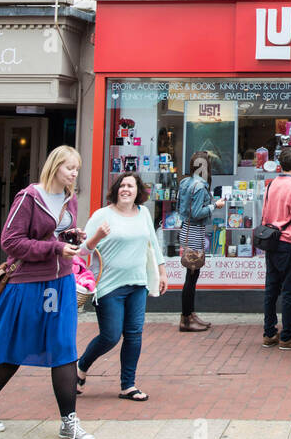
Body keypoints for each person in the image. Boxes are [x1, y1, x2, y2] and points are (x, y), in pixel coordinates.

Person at [0, 146, 95, 439]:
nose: (74, 174)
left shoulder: (70, 199)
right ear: (55, 167)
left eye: (77, 169)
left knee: (64, 348)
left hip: (61, 283)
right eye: (70, 168)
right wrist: (55, 247)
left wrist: (71, 238)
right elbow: (11, 241)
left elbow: (56, 237)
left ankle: (69, 422)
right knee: (15, 349)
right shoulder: (29, 197)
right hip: (28, 284)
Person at [76, 173, 167, 401]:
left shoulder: (143, 213)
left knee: (134, 334)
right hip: (108, 286)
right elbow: (82, 251)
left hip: (138, 283)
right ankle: (80, 367)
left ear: (138, 191)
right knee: (110, 336)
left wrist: (162, 272)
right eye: (123, 185)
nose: (126, 189)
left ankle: (128, 385)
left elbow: (153, 244)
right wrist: (97, 236)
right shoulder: (102, 215)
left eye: (131, 186)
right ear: (116, 189)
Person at [260, 147, 291, 350]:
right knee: (289, 290)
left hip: (271, 241)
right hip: (287, 243)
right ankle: (287, 335)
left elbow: (264, 215)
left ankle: (269, 333)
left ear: (280, 164)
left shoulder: (271, 185)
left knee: (271, 289)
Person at [177, 151, 225, 332]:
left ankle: (190, 314)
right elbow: (197, 213)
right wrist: (215, 206)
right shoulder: (199, 186)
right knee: (191, 277)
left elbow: (180, 208)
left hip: (186, 229)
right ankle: (186, 318)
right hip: (195, 232)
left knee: (191, 276)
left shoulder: (185, 182)